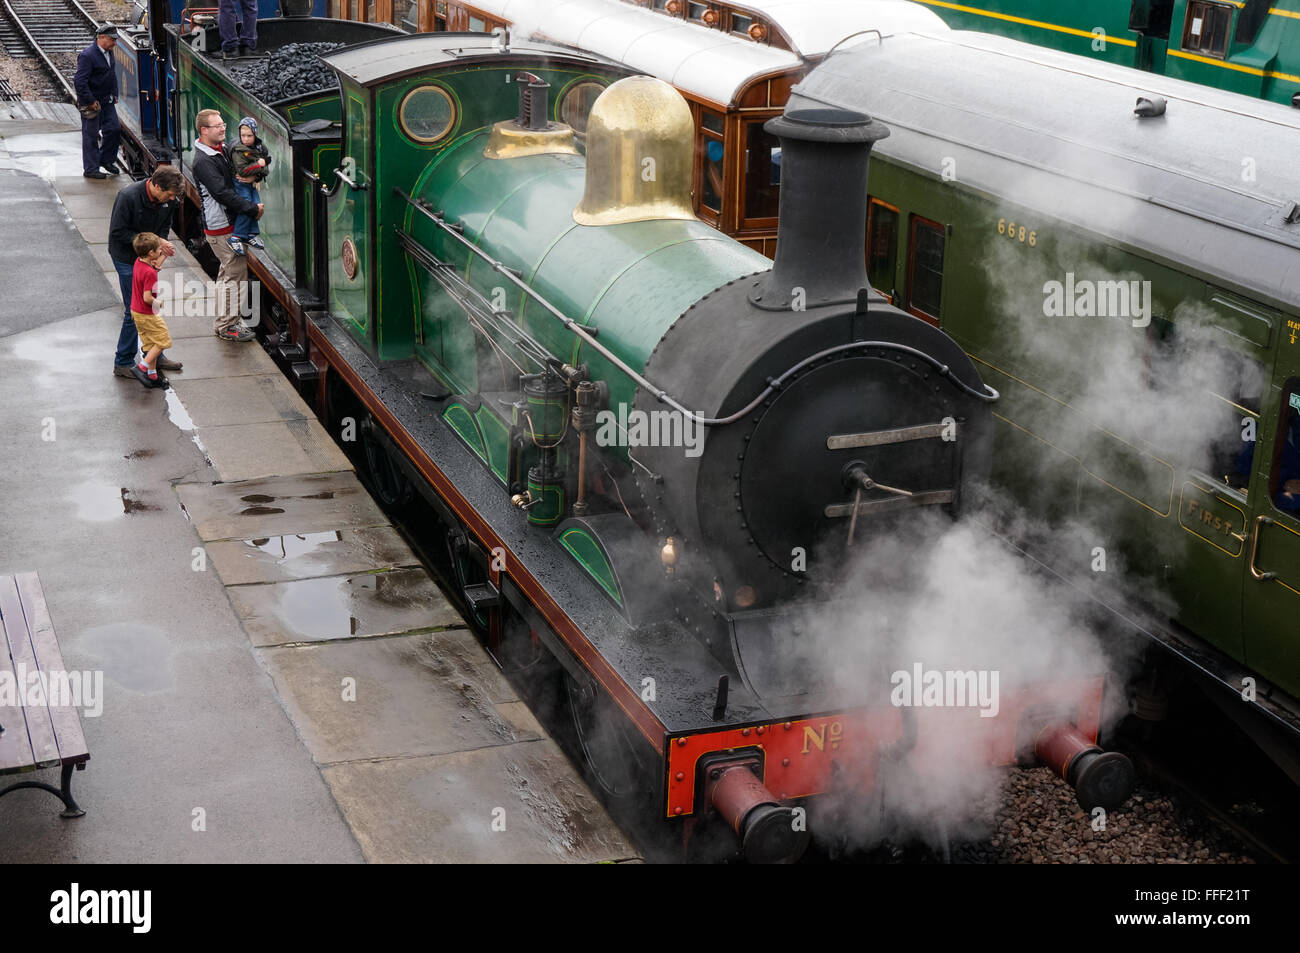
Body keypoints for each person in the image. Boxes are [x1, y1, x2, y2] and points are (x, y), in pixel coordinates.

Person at [192, 109, 263, 342]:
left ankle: (227, 319)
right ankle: (226, 326)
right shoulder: (203, 161)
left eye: (223, 124)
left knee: (226, 274)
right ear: (204, 131)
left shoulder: (220, 149)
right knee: (235, 274)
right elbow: (221, 193)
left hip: (227, 222)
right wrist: (251, 209)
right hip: (222, 226)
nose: (223, 128)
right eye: (217, 126)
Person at [108, 165, 184, 378]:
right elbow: (118, 232)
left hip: (148, 259)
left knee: (149, 310)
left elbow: (164, 228)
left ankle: (154, 355)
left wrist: (159, 253)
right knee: (135, 311)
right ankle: (123, 362)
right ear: (156, 186)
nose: (170, 200)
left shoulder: (167, 201)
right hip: (126, 258)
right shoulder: (128, 196)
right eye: (168, 195)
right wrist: (155, 242)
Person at [74, 25, 121, 179]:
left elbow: (111, 74)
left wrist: (115, 93)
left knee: (114, 129)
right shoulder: (87, 56)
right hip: (92, 102)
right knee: (91, 135)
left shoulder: (109, 53)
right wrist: (90, 100)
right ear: (101, 38)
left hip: (107, 100)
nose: (115, 43)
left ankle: (106, 160)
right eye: (112, 39)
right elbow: (80, 81)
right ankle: (91, 169)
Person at [128, 233, 172, 389]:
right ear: (151, 253)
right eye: (159, 249)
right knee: (163, 340)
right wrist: (157, 302)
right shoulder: (150, 273)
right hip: (147, 313)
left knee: (150, 343)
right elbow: (147, 297)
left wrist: (164, 255)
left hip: (136, 311)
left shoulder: (138, 262)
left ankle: (152, 375)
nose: (161, 249)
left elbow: (153, 267)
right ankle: (141, 368)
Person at [228, 116, 271, 255]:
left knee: (257, 205)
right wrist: (259, 165)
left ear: (255, 134)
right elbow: (242, 171)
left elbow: (266, 166)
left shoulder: (259, 147)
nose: (245, 139)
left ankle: (252, 233)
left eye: (249, 136)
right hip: (240, 183)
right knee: (247, 207)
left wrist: (257, 174)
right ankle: (236, 236)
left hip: (251, 182)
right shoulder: (238, 150)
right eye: (243, 136)